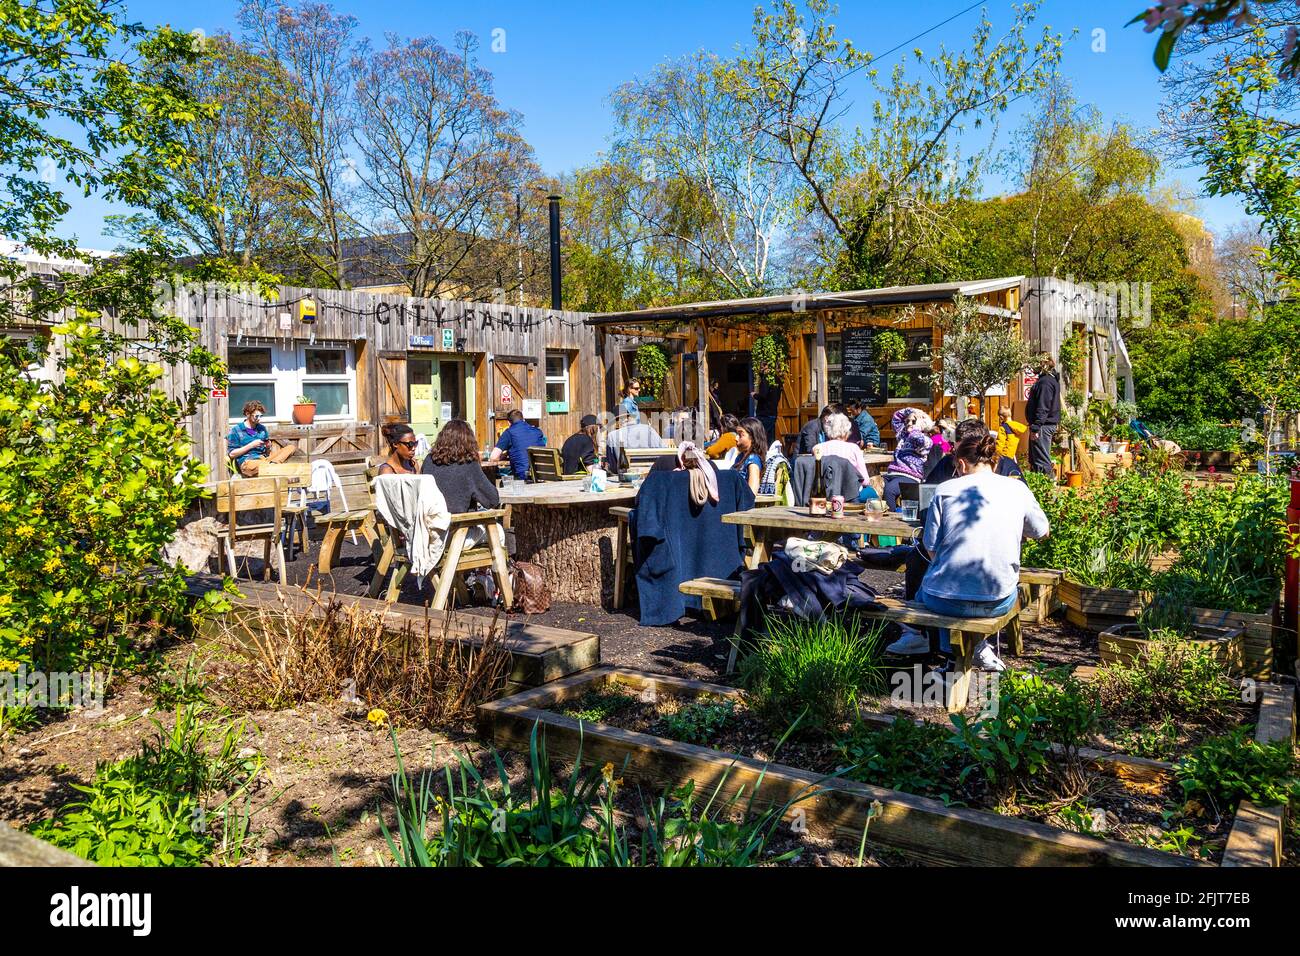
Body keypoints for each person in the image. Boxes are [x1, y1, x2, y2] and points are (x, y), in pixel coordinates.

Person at [887, 431, 1050, 672]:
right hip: (998, 598)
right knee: (950, 584)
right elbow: (1041, 531)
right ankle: (973, 650)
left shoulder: (944, 490)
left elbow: (931, 547)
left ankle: (945, 653)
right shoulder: (1017, 489)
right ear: (993, 461)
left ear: (961, 464)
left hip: (945, 600)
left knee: (934, 584)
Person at [421, 419, 500, 515]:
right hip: (460, 526)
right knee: (498, 529)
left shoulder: (429, 460)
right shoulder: (468, 464)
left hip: (429, 524)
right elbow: (492, 500)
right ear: (469, 441)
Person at [925, 418, 1024, 483]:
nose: (959, 460)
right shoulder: (947, 463)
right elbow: (928, 493)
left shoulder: (1006, 467)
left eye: (966, 453)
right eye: (957, 452)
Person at [882, 408, 933, 507]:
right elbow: (897, 416)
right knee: (872, 487)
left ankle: (890, 518)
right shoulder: (902, 436)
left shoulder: (926, 440)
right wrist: (913, 411)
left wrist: (916, 426)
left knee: (889, 491)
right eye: (907, 421)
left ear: (921, 424)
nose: (909, 423)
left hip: (911, 476)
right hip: (893, 473)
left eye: (913, 421)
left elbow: (917, 438)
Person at [819, 412, 875, 501]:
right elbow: (865, 480)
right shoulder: (853, 448)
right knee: (872, 493)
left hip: (825, 494)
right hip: (851, 496)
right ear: (846, 432)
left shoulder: (818, 448)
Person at [1026, 355, 1061, 476]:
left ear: (1042, 364)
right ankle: (1039, 489)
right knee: (1035, 460)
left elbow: (1043, 407)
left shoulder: (1045, 382)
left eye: (1035, 363)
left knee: (1041, 461)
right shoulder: (1048, 380)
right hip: (1042, 425)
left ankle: (1048, 492)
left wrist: (1035, 427)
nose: (1032, 367)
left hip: (1043, 426)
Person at [489, 410, 546, 481]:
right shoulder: (537, 432)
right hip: (541, 475)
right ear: (523, 419)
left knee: (502, 481)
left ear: (509, 423)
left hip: (522, 476)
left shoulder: (509, 432)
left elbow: (493, 457)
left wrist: (503, 456)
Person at [227, 400, 272, 477]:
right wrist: (251, 445)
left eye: (261, 416)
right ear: (248, 414)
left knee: (290, 448)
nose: (259, 419)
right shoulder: (236, 430)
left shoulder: (262, 429)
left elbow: (267, 453)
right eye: (256, 416)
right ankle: (273, 465)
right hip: (248, 461)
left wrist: (268, 447)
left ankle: (271, 465)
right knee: (268, 465)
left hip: (263, 458)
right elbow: (232, 454)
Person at [733, 417, 767, 495]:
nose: (736, 438)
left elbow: (751, 492)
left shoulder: (753, 460)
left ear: (752, 437)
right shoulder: (740, 457)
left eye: (740, 435)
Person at [752, 366, 782, 448]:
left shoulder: (766, 379)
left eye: (762, 368)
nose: (760, 370)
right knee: (770, 439)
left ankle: (762, 456)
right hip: (773, 413)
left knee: (760, 438)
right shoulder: (777, 380)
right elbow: (778, 397)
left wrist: (755, 395)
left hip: (764, 413)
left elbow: (763, 395)